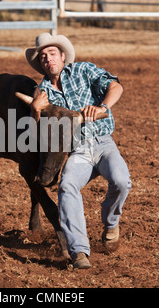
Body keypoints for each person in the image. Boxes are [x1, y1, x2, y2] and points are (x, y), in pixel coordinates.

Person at [26, 33, 131, 269]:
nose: (48, 59)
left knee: (122, 181)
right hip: (77, 151)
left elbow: (116, 86)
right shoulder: (42, 93)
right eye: (43, 56)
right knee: (66, 186)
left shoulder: (84, 70)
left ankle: (111, 224)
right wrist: (35, 110)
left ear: (63, 56)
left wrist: (102, 106)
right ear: (40, 63)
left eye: (52, 53)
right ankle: (79, 251)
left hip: (103, 142)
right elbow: (35, 135)